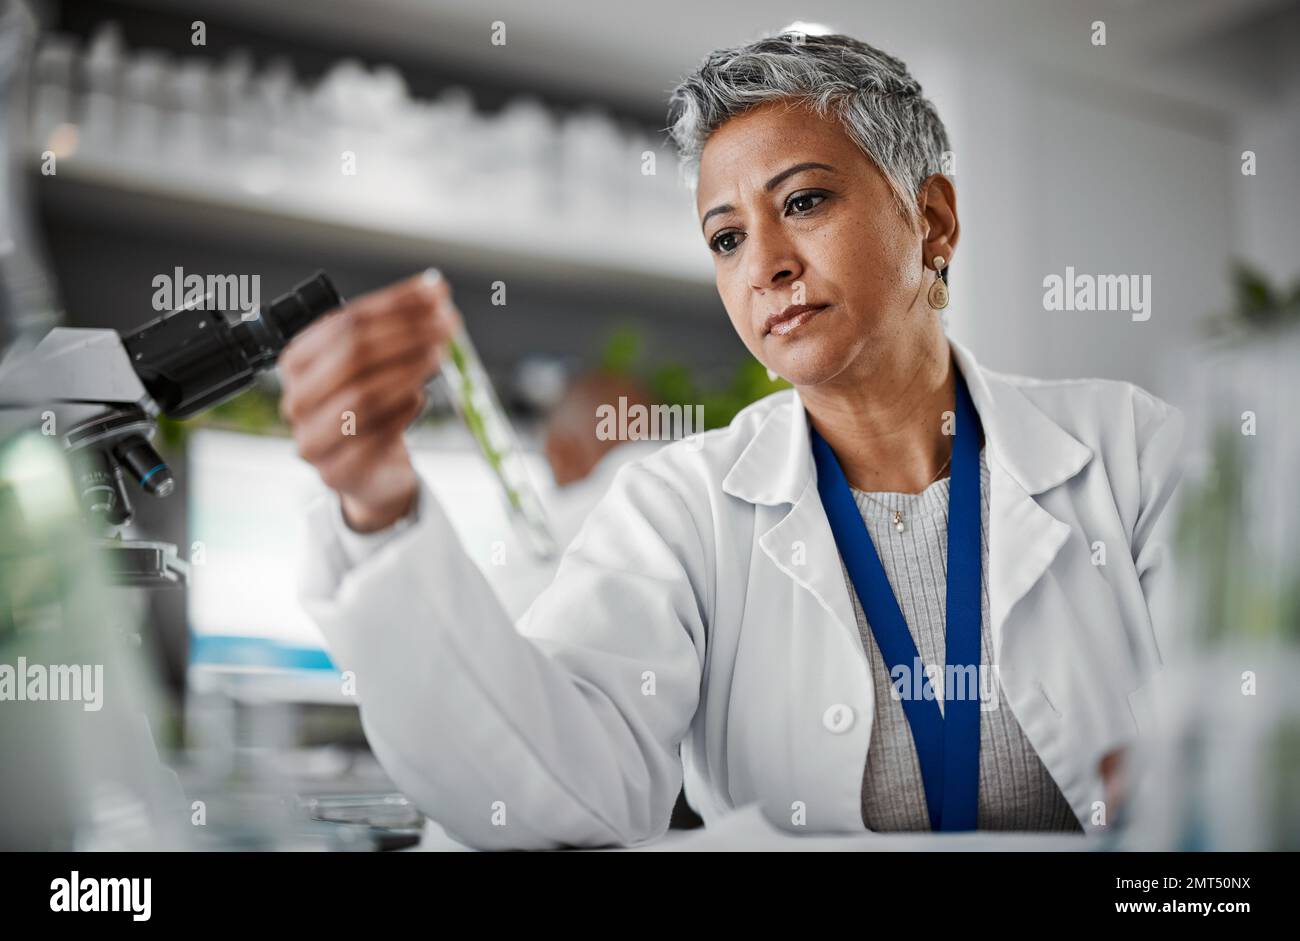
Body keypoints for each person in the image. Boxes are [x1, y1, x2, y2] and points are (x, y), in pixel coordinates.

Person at [279, 31, 1183, 849]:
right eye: (725, 237)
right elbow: (562, 792)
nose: (765, 267)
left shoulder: (1129, 452)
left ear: (932, 219)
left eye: (806, 201)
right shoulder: (679, 508)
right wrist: (381, 511)